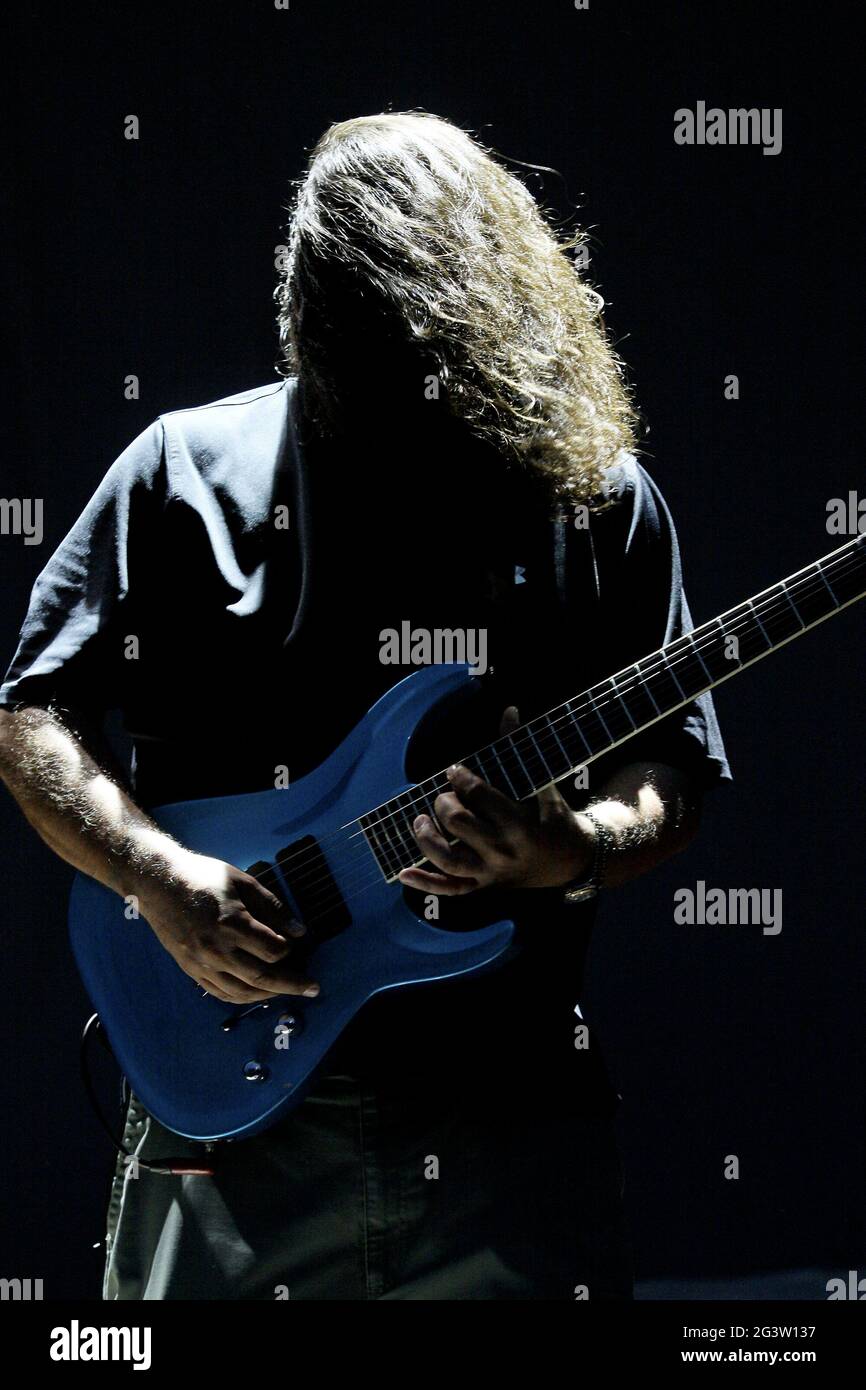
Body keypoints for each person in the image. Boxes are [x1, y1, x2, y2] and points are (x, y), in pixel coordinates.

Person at [0, 112, 730, 1300]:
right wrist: (154, 876)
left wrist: (568, 848)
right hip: (223, 1136)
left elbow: (669, 773)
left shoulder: (596, 503)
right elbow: (30, 715)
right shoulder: (179, 470)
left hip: (507, 1128)